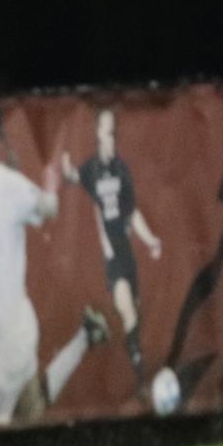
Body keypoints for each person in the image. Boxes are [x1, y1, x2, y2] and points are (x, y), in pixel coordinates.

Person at [0, 103, 109, 432]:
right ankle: (85, 338)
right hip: (10, 333)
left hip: (17, 337)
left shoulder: (7, 186)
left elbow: (47, 209)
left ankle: (85, 337)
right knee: (32, 408)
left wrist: (51, 186)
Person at [60, 107, 164, 392]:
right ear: (97, 133)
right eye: (107, 132)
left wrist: (151, 240)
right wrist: (66, 170)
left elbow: (133, 213)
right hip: (113, 260)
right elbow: (73, 176)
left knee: (135, 317)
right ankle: (142, 383)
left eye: (114, 132)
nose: (112, 138)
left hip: (128, 256)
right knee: (128, 313)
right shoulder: (91, 170)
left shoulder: (122, 170)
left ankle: (137, 368)